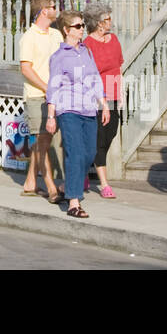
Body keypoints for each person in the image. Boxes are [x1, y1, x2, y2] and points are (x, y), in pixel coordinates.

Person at [45, 12, 109, 219]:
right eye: (78, 26)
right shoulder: (59, 57)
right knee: (75, 153)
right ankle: (74, 202)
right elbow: (53, 86)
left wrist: (104, 104)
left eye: (83, 25)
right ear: (66, 30)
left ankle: (66, 185)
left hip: (89, 108)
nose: (82, 28)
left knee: (89, 154)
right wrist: (51, 116)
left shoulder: (86, 52)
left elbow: (95, 79)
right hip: (68, 109)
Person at [18, 0, 62, 201]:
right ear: (45, 10)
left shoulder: (56, 35)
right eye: (54, 6)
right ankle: (51, 188)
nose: (56, 9)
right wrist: (46, 87)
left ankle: (30, 183)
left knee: (43, 142)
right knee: (42, 140)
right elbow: (26, 69)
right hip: (37, 96)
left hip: (56, 96)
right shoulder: (29, 37)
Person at [81, 1, 124, 199]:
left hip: (115, 94)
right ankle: (104, 184)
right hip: (97, 97)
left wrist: (122, 92)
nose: (110, 21)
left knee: (110, 134)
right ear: (98, 22)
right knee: (99, 139)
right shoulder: (87, 45)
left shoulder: (114, 39)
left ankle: (84, 171)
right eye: (107, 18)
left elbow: (119, 67)